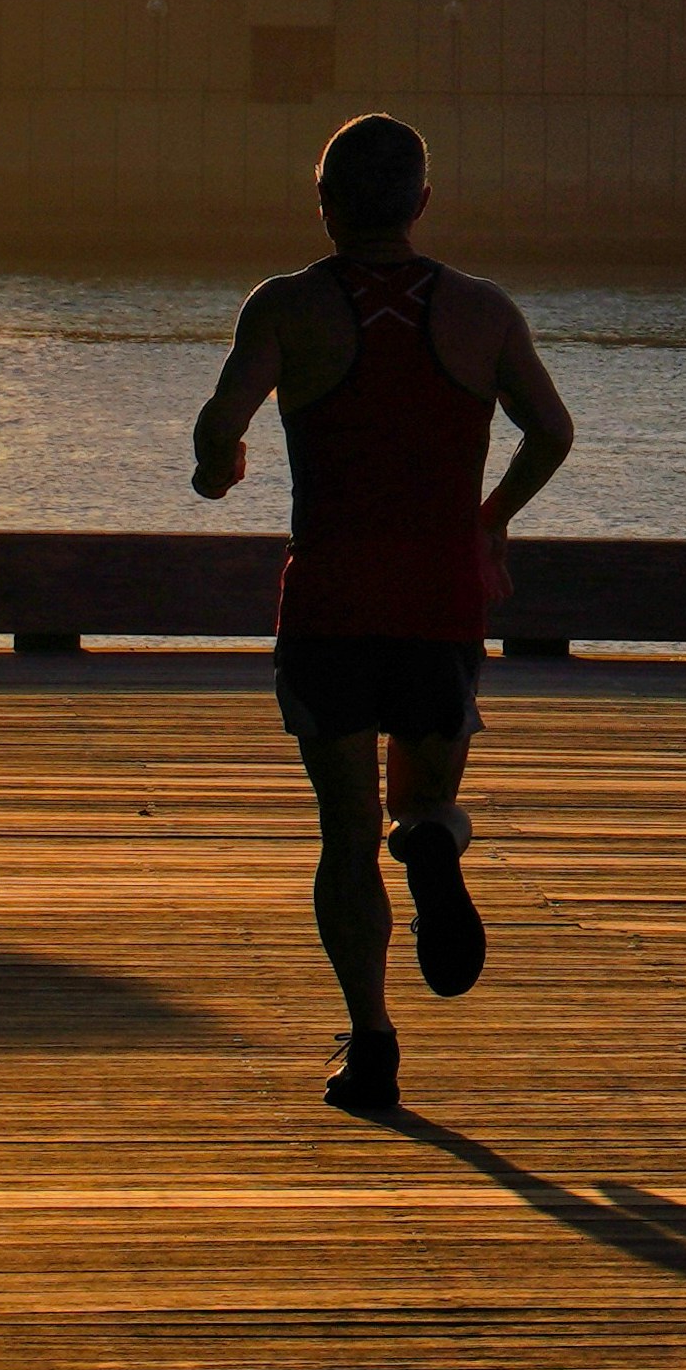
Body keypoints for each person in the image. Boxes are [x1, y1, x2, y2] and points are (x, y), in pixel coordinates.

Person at [186, 114, 573, 1114]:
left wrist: (217, 465)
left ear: (324, 205)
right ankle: (437, 840)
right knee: (419, 800)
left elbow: (221, 421)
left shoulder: (286, 307)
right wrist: (489, 519)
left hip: (331, 602)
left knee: (344, 830)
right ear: (423, 204)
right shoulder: (482, 311)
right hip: (440, 598)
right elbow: (551, 430)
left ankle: (372, 1043)